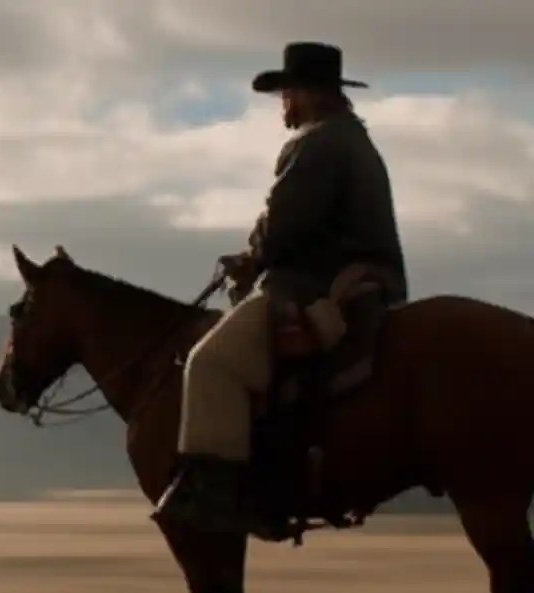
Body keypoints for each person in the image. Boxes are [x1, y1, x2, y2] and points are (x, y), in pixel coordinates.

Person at [150, 41, 409, 538]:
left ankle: (215, 498)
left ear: (307, 93)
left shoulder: (316, 143)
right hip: (367, 280)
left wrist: (252, 259)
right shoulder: (353, 139)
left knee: (210, 362)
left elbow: (285, 226)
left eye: (286, 94)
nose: (283, 105)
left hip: (313, 284)